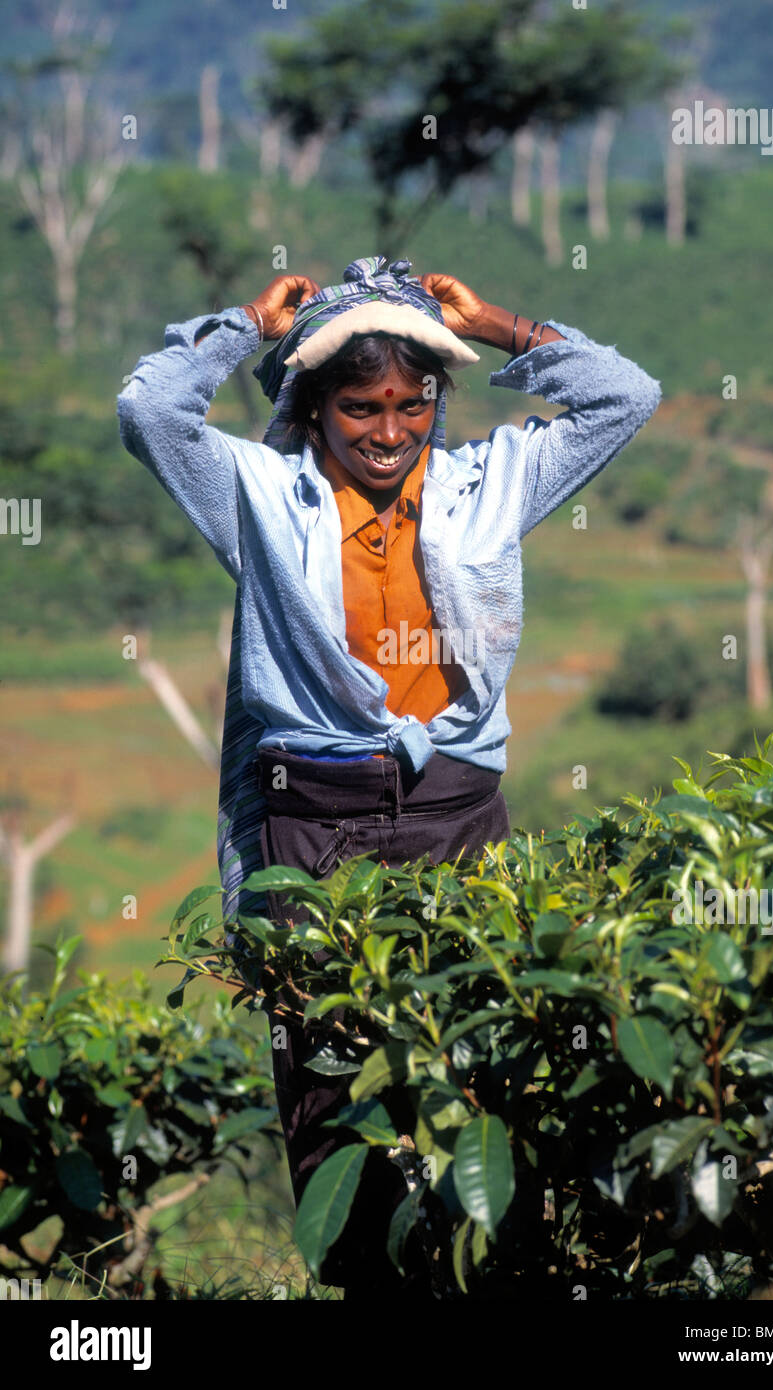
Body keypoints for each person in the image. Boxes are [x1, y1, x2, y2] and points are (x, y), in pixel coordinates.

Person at [117, 254, 661, 1299]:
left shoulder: (484, 484)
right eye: (360, 406)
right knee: (332, 1089)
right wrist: (244, 323)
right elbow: (150, 410)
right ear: (313, 408)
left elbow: (623, 396)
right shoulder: (259, 497)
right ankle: (358, 1282)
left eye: (412, 404)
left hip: (457, 817)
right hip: (312, 828)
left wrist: (495, 322)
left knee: (478, 1070)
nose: (388, 430)